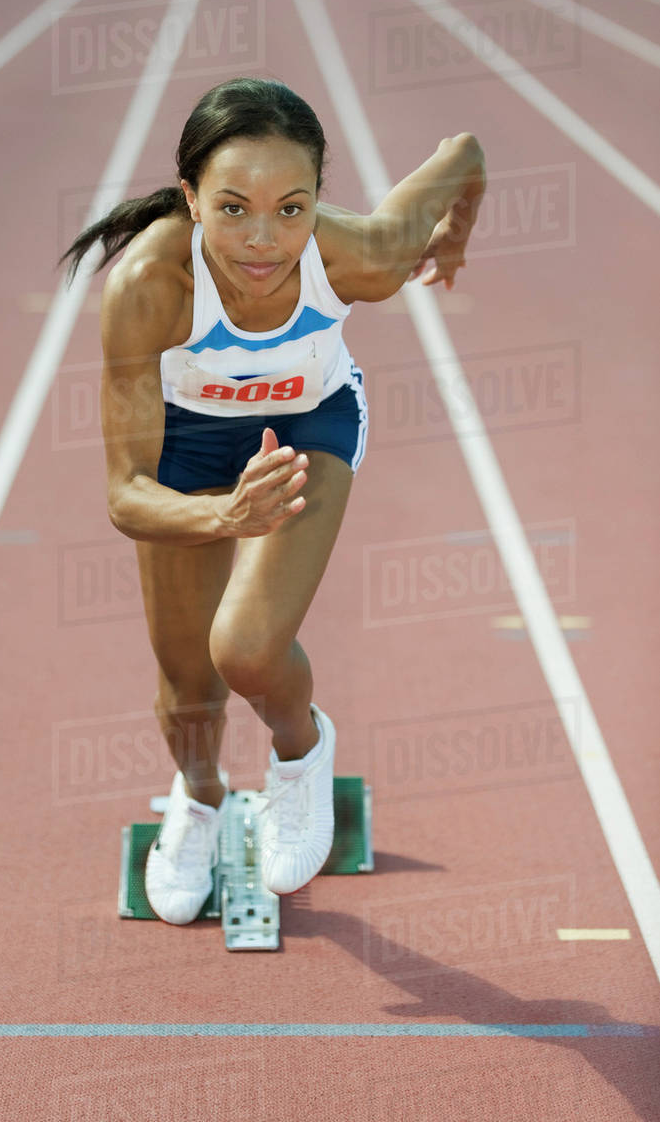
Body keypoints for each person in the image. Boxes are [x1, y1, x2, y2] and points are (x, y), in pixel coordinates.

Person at [60, 76, 486, 926]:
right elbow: (125, 495)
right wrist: (226, 516)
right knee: (189, 684)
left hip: (305, 425)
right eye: (232, 209)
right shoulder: (149, 284)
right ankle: (200, 798)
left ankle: (300, 757)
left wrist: (454, 236)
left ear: (319, 197)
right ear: (190, 197)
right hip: (188, 442)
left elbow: (462, 155)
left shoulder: (362, 257)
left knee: (247, 651)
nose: (262, 240)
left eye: (291, 209)